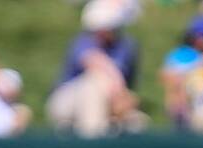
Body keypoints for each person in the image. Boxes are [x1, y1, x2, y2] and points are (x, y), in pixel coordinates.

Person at [47, 0, 147, 138]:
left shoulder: (127, 46)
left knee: (137, 123)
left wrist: (125, 100)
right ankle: (94, 138)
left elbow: (130, 85)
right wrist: (118, 86)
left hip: (111, 101)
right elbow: (95, 62)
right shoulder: (83, 41)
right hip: (66, 102)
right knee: (95, 80)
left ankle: (97, 131)